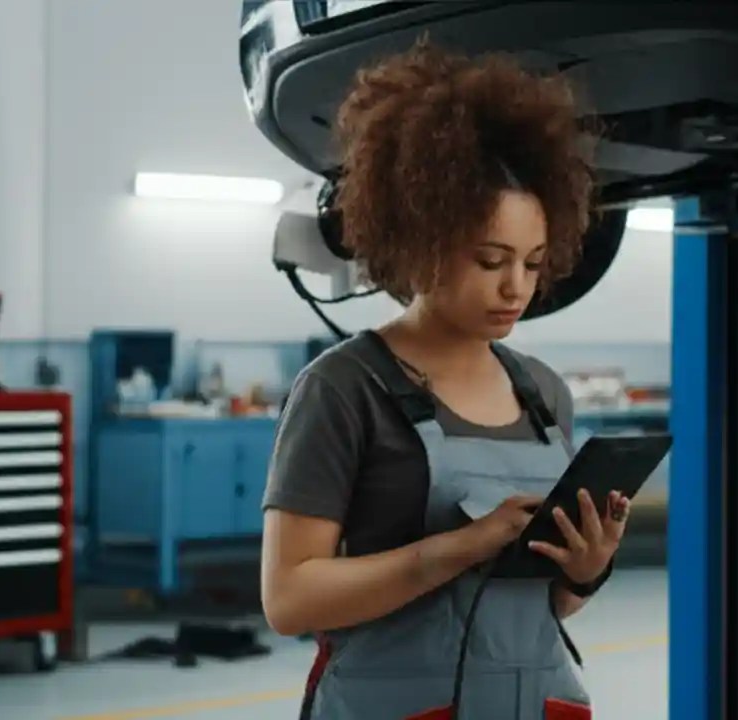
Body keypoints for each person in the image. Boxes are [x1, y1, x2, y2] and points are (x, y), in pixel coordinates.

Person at [260, 38, 631, 720]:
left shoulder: (544, 396)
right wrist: (457, 548)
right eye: (491, 259)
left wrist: (585, 569)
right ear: (423, 236)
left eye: (533, 260)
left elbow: (541, 608)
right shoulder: (343, 390)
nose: (517, 287)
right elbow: (289, 600)